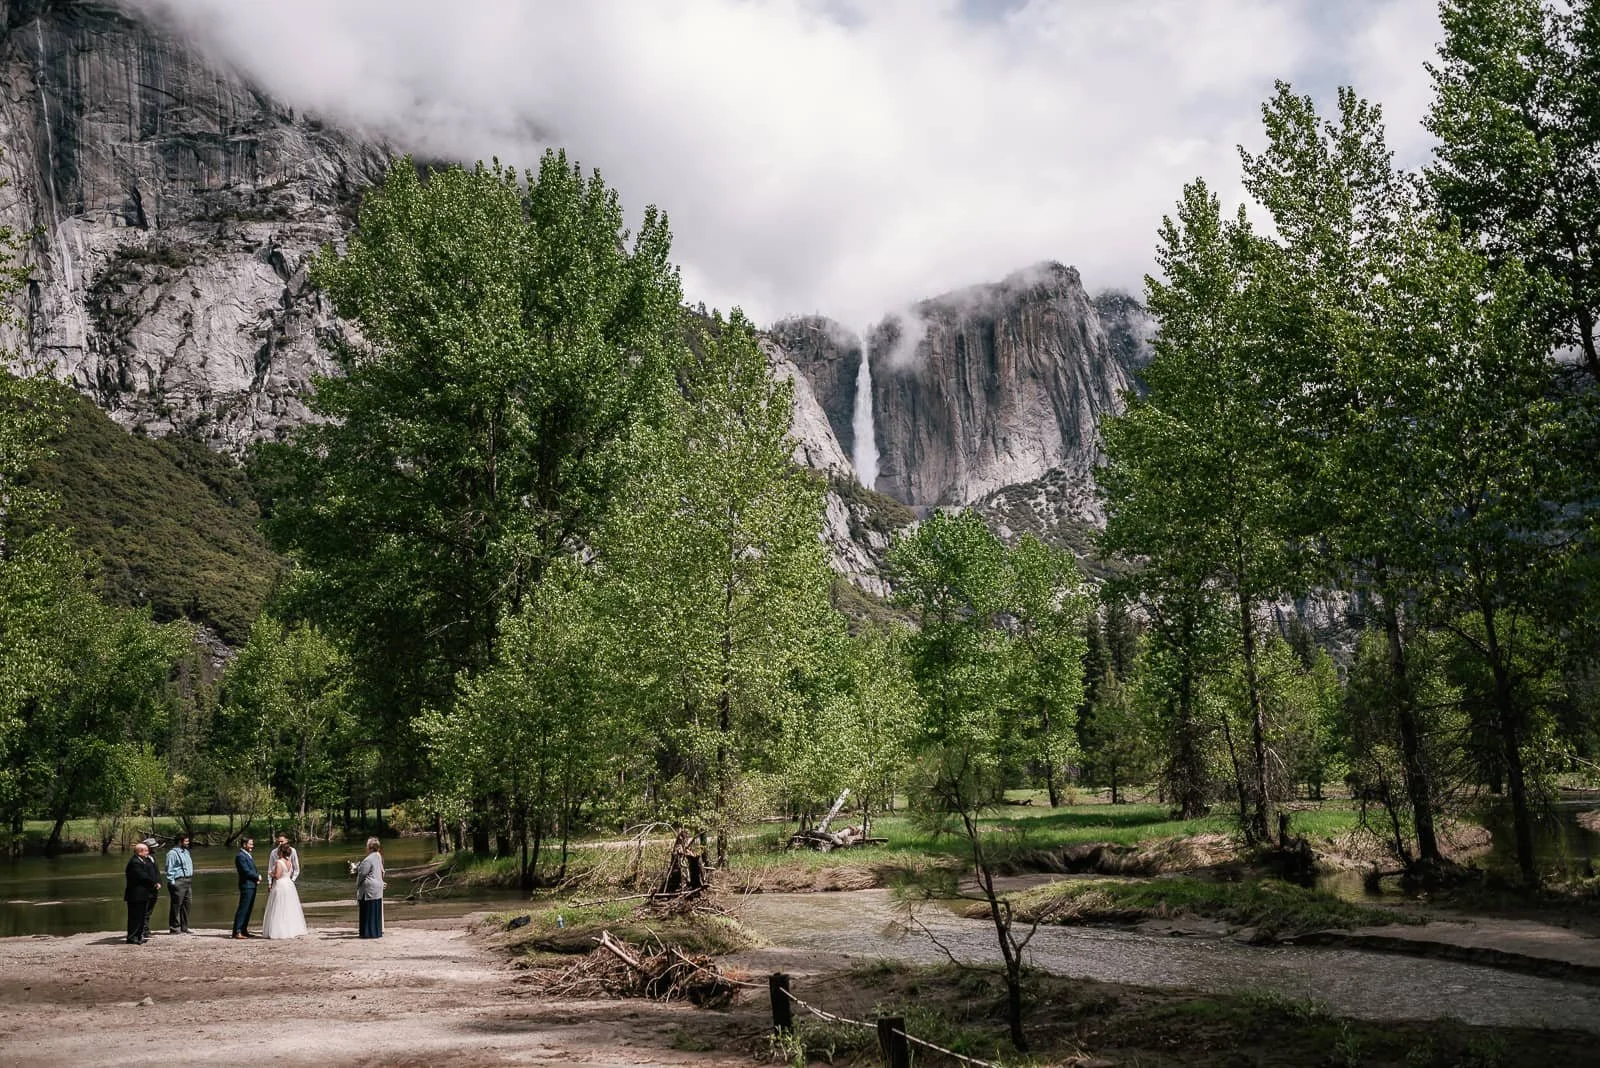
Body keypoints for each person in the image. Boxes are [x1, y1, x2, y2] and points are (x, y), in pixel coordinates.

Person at [261, 842, 307, 939]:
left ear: (281, 852)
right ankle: (291, 928)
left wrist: (270, 874)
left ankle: (279, 930)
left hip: (281, 885)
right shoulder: (289, 862)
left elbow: (277, 876)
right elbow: (290, 873)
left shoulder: (279, 862)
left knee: (279, 907)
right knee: (288, 907)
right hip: (289, 884)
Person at [123, 842, 161, 945]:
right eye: (146, 851)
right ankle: (132, 937)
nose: (148, 852)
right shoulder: (135, 862)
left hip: (143, 894)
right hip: (135, 895)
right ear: (140, 851)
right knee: (135, 917)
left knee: (141, 916)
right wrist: (154, 884)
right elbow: (143, 876)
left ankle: (138, 936)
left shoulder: (142, 861)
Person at [354, 837, 385, 939]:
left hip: (369, 890)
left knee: (367, 911)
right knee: (375, 911)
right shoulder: (378, 856)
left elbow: (362, 874)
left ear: (369, 847)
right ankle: (376, 932)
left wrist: (357, 885)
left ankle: (367, 932)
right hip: (378, 888)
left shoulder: (368, 860)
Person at [232, 837, 262, 939]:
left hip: (251, 885)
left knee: (248, 909)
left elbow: (251, 869)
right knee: (243, 908)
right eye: (250, 844)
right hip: (246, 885)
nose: (252, 846)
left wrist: (255, 879)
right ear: (244, 844)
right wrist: (257, 876)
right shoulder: (240, 856)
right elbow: (246, 871)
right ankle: (237, 931)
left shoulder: (246, 855)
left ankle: (244, 930)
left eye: (252, 844)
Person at [165, 833, 194, 934]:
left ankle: (184, 927)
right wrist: (172, 882)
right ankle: (174, 928)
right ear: (179, 842)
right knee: (176, 905)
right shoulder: (172, 853)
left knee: (187, 904)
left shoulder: (186, 852)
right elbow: (169, 868)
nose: (188, 843)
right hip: (178, 881)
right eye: (186, 841)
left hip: (188, 881)